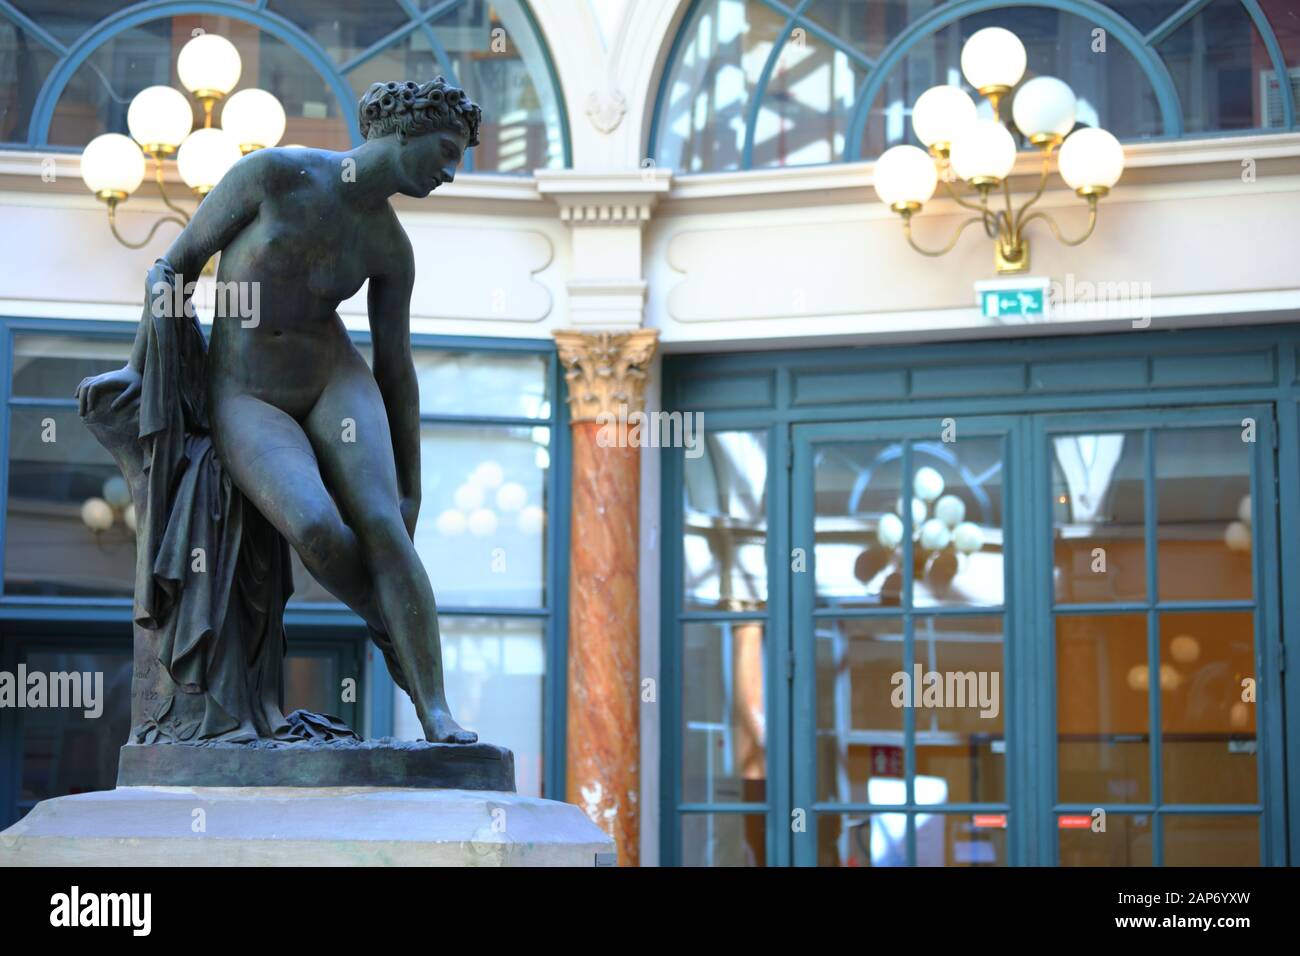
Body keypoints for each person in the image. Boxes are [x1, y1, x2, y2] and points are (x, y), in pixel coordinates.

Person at [76, 78, 481, 744]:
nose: (450, 172)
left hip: (333, 380)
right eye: (445, 151)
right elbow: (175, 267)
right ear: (401, 132)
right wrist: (140, 367)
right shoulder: (273, 175)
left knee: (386, 526)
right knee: (315, 526)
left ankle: (435, 709)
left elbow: (396, 370)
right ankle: (391, 625)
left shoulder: (390, 247)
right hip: (247, 392)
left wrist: (411, 486)